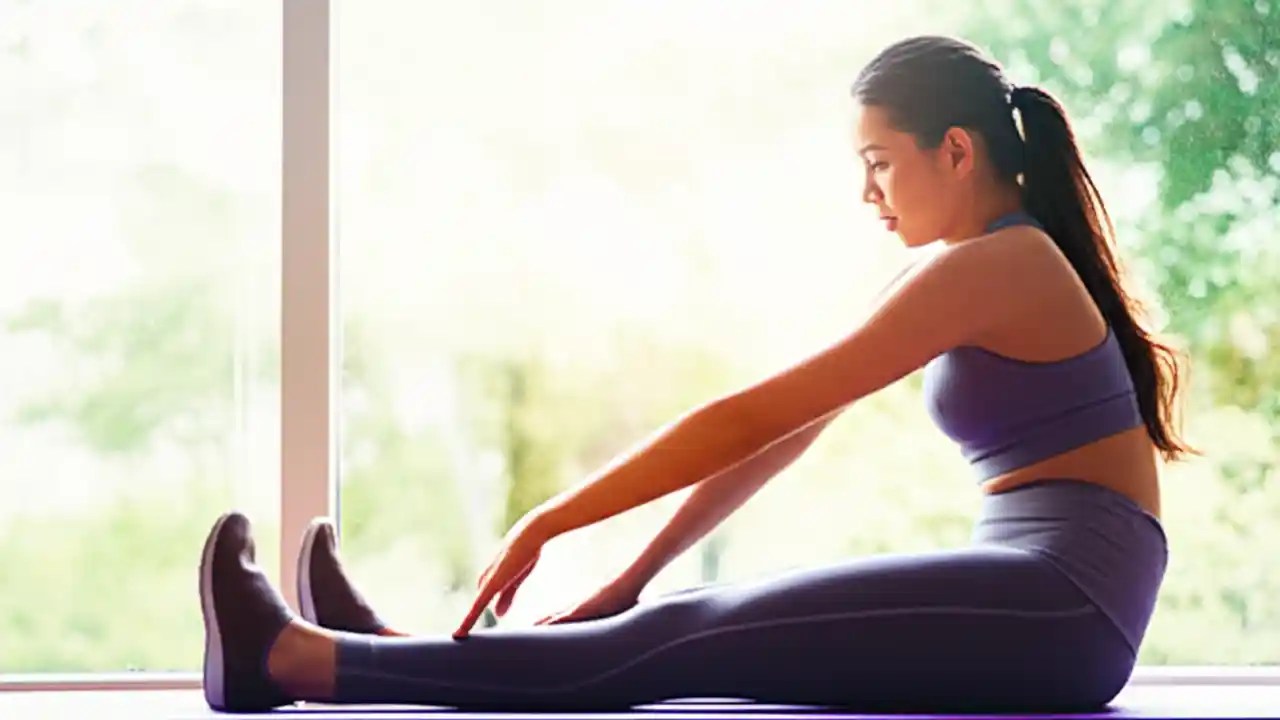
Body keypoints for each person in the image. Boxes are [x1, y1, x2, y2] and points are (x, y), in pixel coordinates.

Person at [197, 35, 1191, 713]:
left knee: (687, 638)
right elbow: (783, 432)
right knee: (676, 623)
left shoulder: (1002, 264)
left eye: (878, 162)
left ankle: (290, 660)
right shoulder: (977, 265)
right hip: (1053, 594)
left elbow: (748, 413)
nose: (866, 193)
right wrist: (634, 571)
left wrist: (552, 522)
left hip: (1066, 606)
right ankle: (378, 651)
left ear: (955, 150)